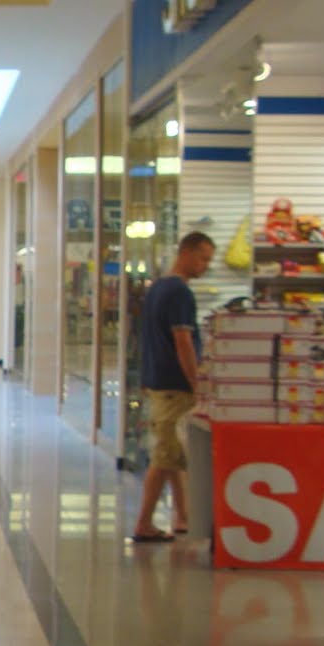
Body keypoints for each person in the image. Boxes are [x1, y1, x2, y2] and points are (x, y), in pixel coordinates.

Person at [131, 230, 212, 543]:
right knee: (164, 456)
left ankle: (183, 516)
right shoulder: (180, 293)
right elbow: (183, 342)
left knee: (174, 453)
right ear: (187, 253)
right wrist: (197, 381)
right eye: (203, 258)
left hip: (158, 381)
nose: (205, 266)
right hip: (174, 386)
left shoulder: (157, 288)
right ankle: (144, 523)